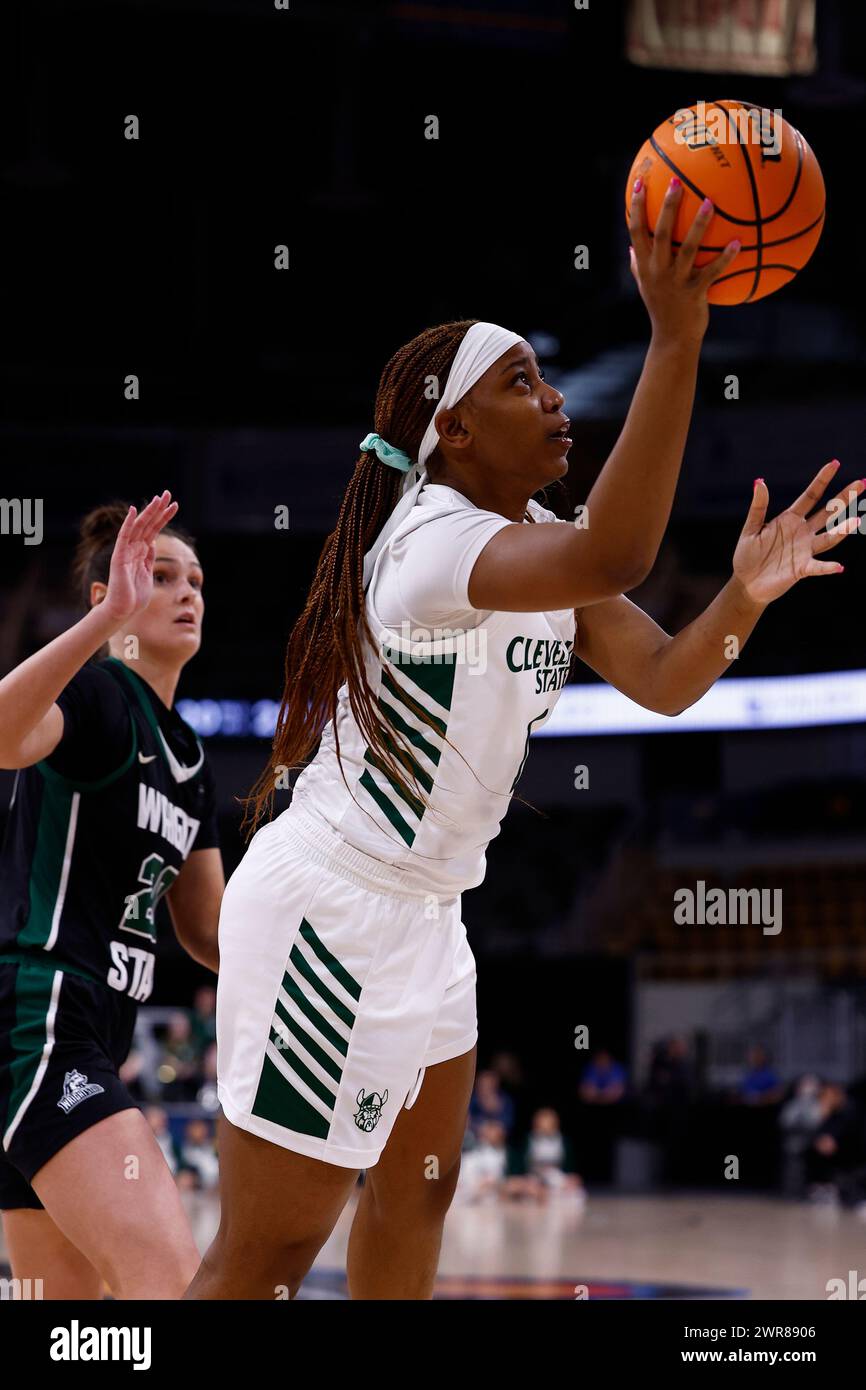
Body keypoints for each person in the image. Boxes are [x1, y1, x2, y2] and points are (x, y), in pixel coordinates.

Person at [188, 179, 862, 1301]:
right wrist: (675, 341)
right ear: (449, 432)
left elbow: (657, 678)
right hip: (332, 912)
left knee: (419, 1197)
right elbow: (619, 552)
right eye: (521, 385)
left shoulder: (532, 541)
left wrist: (743, 594)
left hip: (430, 916)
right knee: (265, 1255)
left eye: (548, 380)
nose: (555, 402)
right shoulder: (430, 549)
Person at [0, 494, 224, 1299]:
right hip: (41, 1018)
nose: (187, 591)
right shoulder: (99, 698)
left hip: (91, 1034)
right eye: (161, 576)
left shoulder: (193, 759)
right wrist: (102, 628)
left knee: (75, 1332)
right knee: (167, 1286)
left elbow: (208, 933)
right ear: (109, 595)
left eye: (196, 579)